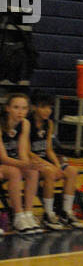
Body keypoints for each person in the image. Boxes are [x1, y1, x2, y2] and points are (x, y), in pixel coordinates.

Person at [26, 91, 82, 228]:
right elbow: (28, 152)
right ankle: (48, 214)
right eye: (43, 107)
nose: (47, 111)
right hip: (31, 161)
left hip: (45, 159)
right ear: (34, 107)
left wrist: (57, 165)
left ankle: (66, 211)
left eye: (50, 107)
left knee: (72, 171)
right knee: (50, 173)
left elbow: (49, 150)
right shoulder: (27, 123)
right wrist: (50, 167)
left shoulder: (49, 124)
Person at [0, 90, 42, 235]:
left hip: (12, 161)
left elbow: (22, 153)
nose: (20, 112)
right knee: (14, 172)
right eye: (16, 107)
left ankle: (28, 214)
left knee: (33, 171)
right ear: (7, 108)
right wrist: (24, 164)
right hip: (3, 161)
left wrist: (29, 164)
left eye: (24, 108)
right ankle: (17, 216)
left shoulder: (25, 123)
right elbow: (3, 158)